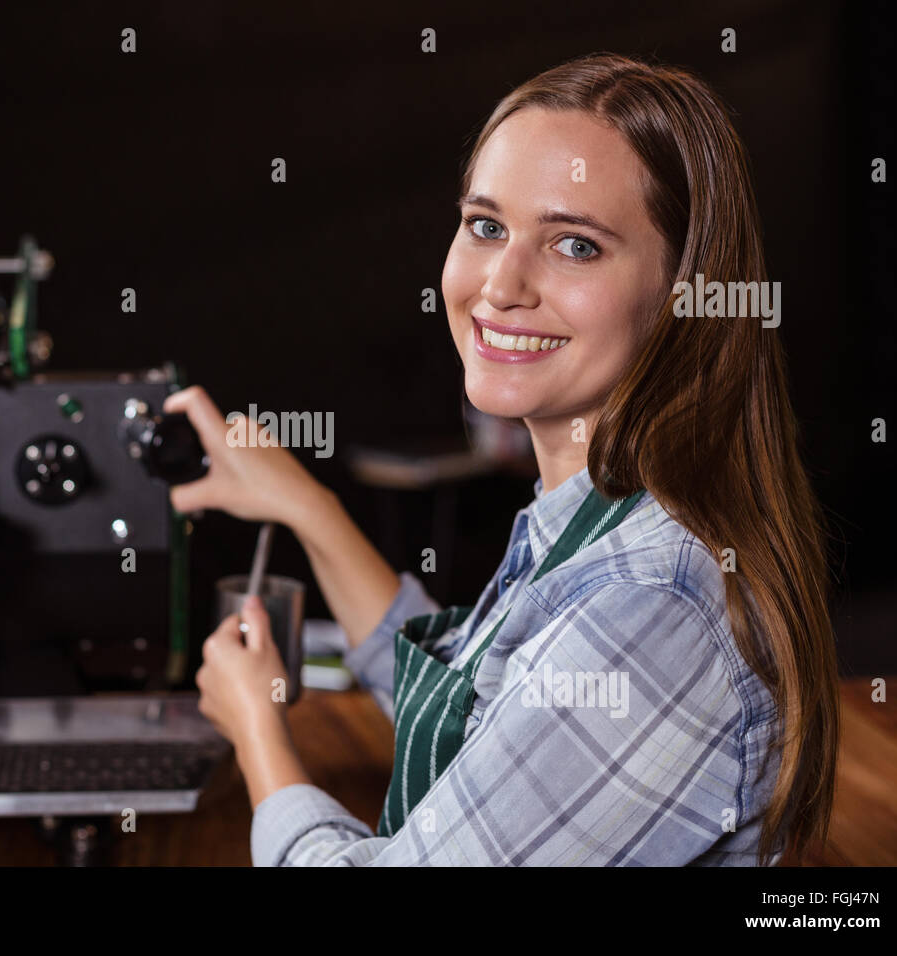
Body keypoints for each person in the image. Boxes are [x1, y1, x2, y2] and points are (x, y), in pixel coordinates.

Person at [164, 52, 838, 866]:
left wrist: (257, 731)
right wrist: (306, 506)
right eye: (486, 226)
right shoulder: (593, 514)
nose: (500, 285)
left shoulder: (649, 605)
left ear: (681, 296)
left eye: (576, 246)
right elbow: (472, 715)